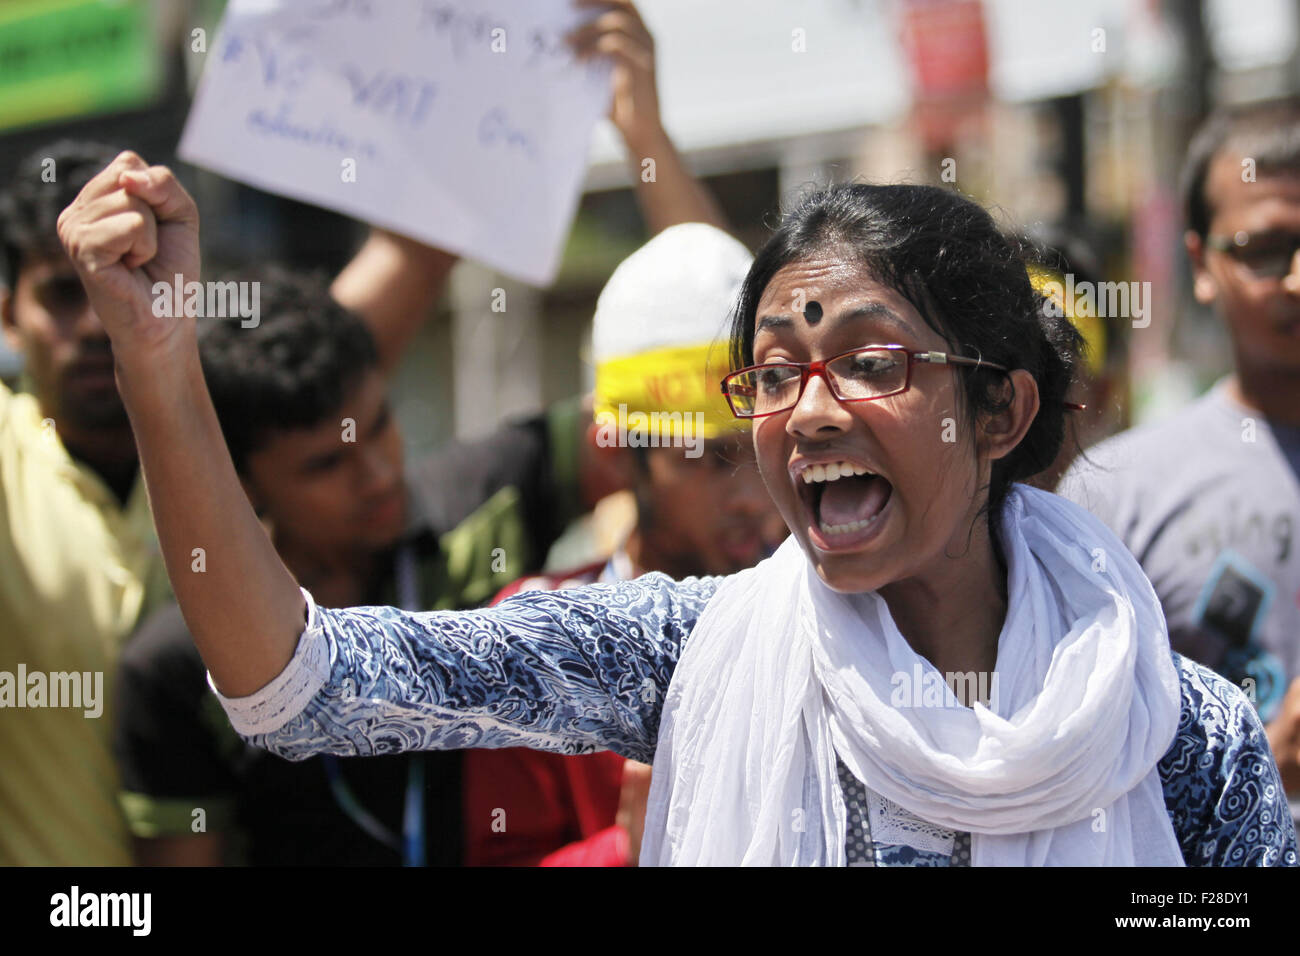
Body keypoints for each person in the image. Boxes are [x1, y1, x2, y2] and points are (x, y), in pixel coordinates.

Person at [59, 157, 1298, 864]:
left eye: (869, 363)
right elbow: (293, 677)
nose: (806, 411)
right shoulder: (683, 651)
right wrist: (157, 362)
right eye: (771, 371)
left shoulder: (1173, 731)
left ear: (998, 412)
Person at [112, 270, 584, 865]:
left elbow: (651, 421)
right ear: (242, 485)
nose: (379, 476)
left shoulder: (489, 502)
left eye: (381, 424)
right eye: (327, 463)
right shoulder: (174, 667)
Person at [463, 223, 770, 866]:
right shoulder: (534, 635)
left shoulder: (843, 609)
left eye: (762, 455)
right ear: (616, 454)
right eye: (707, 460)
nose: (750, 499)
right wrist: (623, 854)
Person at [1058, 99, 1300, 818]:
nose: (1296, 280)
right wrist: (1261, 761)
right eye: (1265, 249)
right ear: (1199, 263)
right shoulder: (1116, 497)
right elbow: (1073, 773)